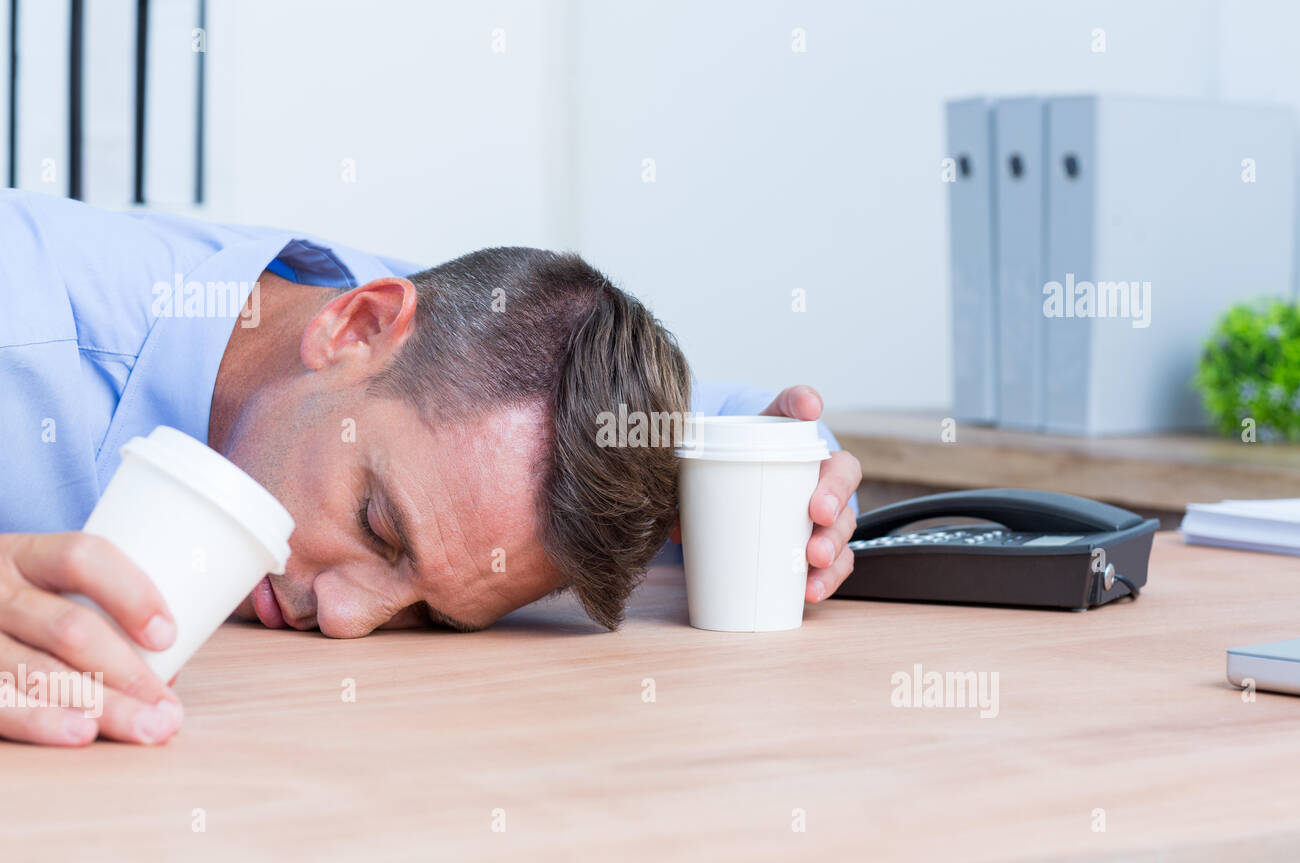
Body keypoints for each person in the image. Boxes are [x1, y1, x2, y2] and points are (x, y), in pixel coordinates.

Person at [0, 189, 862, 747]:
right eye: (379, 523)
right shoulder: (23, 314)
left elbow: (738, 422)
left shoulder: (453, 358)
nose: (343, 617)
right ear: (354, 329)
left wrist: (797, 494)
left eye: (429, 615)